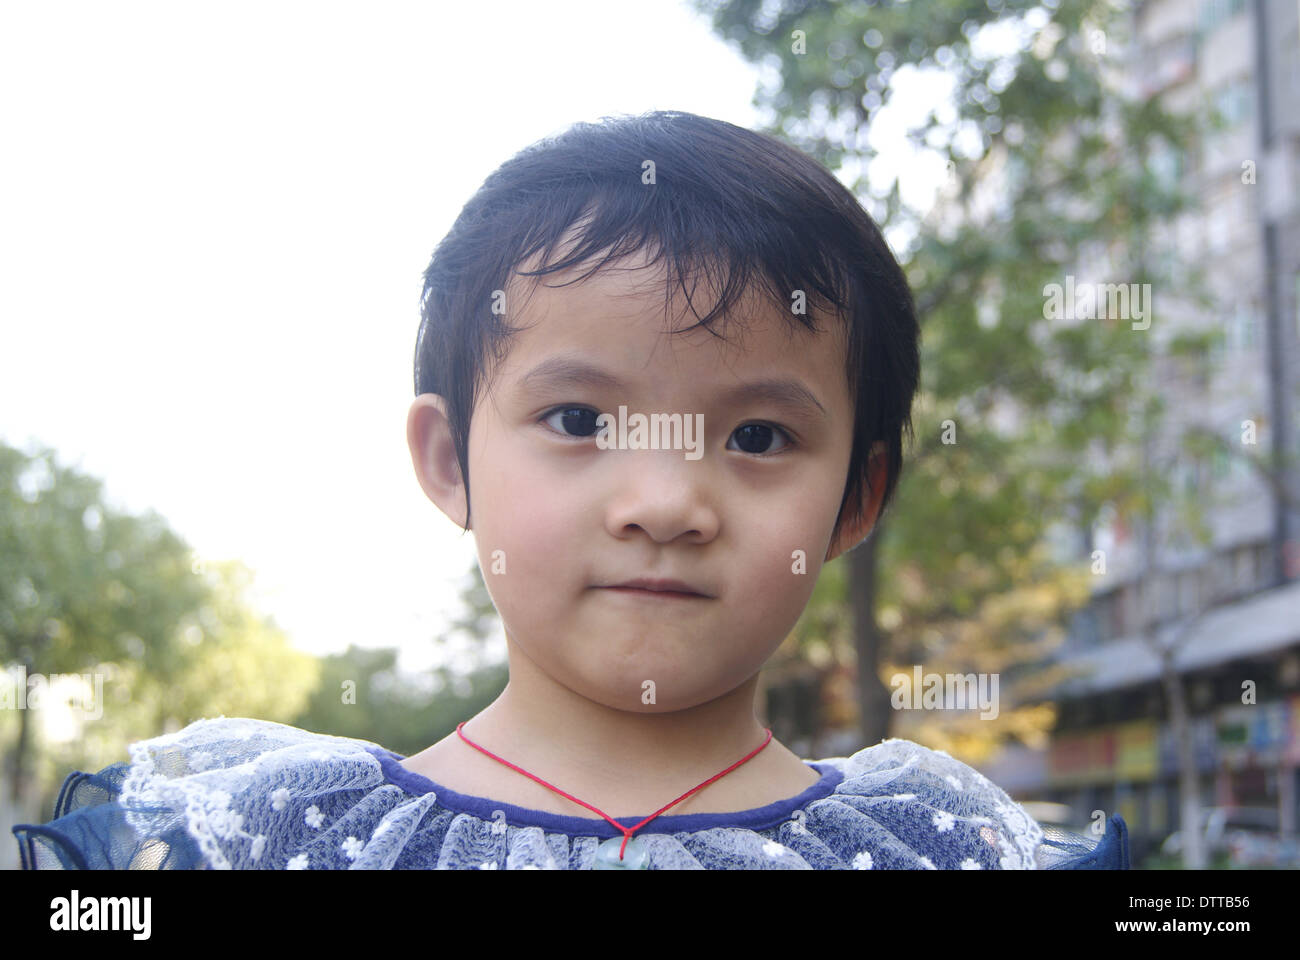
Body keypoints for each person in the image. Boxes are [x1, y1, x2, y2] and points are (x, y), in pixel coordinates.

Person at [12, 111, 1129, 870]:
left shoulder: (938, 851)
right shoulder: (281, 839)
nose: (663, 502)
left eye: (753, 433)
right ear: (448, 461)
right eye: (579, 422)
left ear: (854, 498)